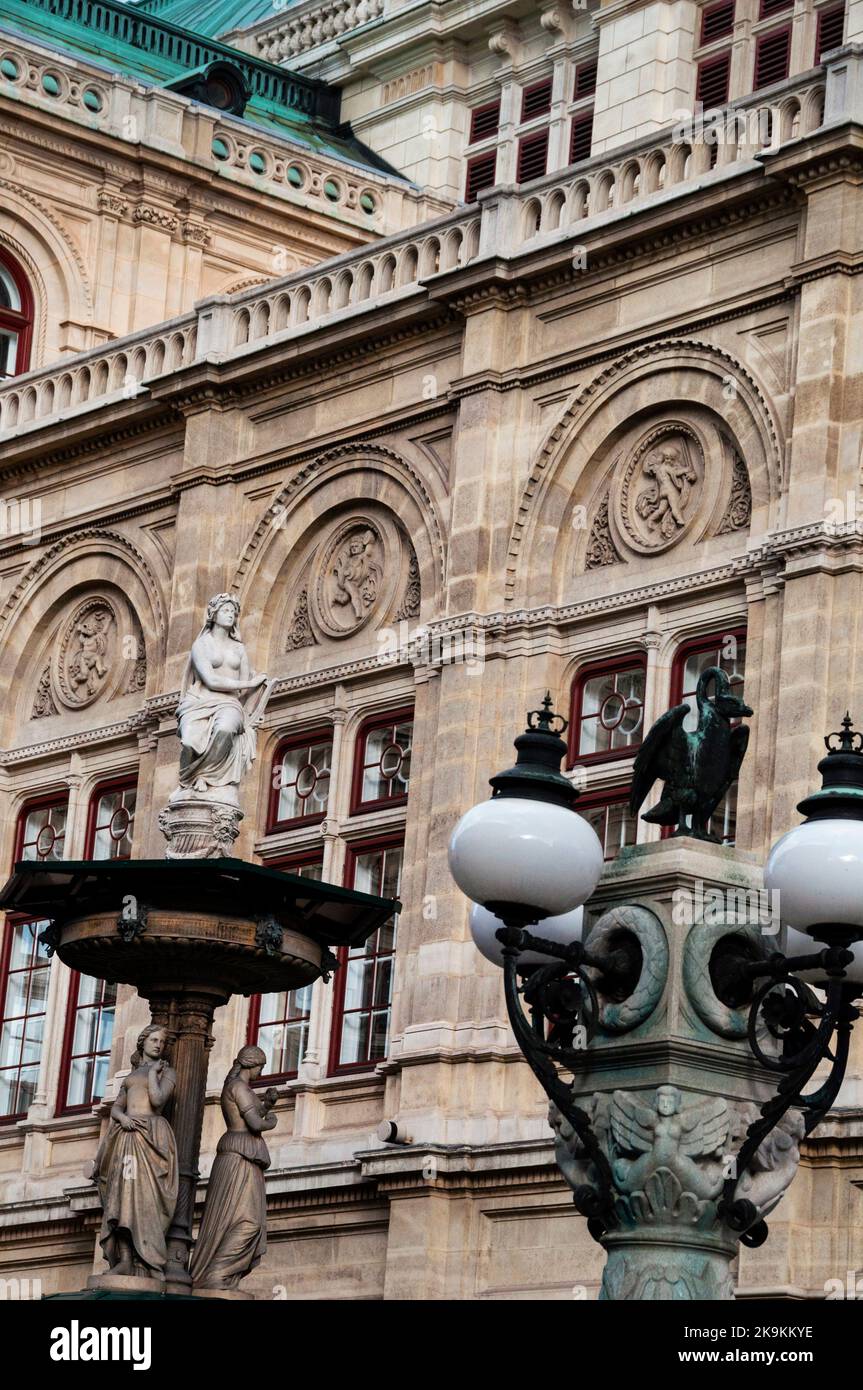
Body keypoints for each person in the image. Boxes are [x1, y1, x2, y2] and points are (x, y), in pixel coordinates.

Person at [92, 1024, 178, 1279]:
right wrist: (122, 1118)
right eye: (153, 1040)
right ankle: (126, 1259)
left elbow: (158, 1100)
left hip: (153, 1137)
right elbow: (117, 1108)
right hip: (127, 1138)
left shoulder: (167, 1073)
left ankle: (150, 1259)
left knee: (147, 1199)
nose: (158, 1045)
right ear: (143, 1042)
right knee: (122, 1197)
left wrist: (154, 1074)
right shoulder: (130, 1077)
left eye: (162, 1041)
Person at [190, 1045, 278, 1293]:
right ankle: (217, 1274)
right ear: (252, 1064)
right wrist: (271, 1120)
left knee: (243, 1220)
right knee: (248, 1222)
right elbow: (254, 1123)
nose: (262, 1072)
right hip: (240, 1154)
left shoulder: (239, 1088)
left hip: (242, 1153)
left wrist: (267, 1104)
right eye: (261, 1066)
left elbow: (252, 1113)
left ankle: (221, 1275)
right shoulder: (239, 1087)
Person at [175, 593, 269, 801]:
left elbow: (242, 693)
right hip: (199, 702)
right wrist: (248, 683)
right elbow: (211, 680)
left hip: (229, 704)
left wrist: (257, 687)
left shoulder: (239, 649)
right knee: (190, 742)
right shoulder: (202, 645)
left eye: (233, 613)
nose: (230, 615)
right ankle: (189, 778)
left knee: (225, 729)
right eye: (226, 610)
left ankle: (207, 776)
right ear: (213, 614)